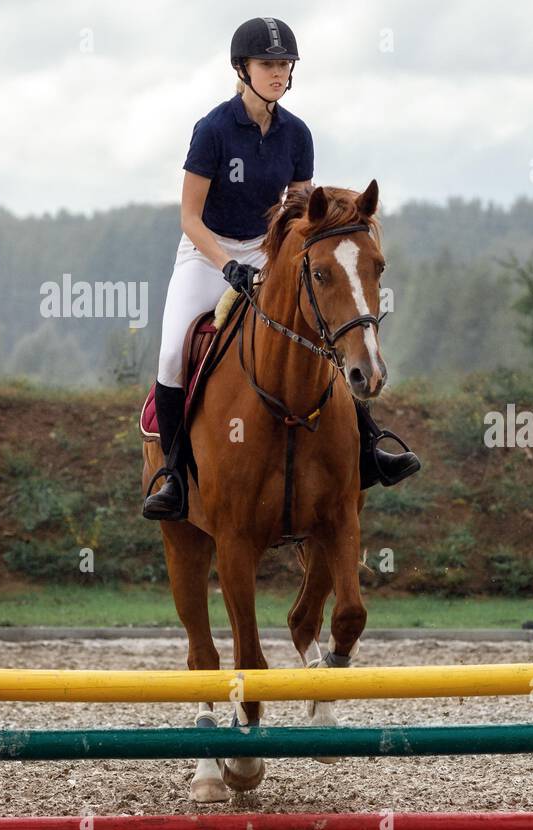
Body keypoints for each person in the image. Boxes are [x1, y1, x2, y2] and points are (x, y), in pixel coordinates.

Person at [143, 16, 419, 521]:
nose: (278, 73)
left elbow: (297, 211)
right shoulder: (213, 130)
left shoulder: (297, 134)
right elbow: (188, 217)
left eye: (284, 64)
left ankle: (367, 448)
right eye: (268, 64)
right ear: (242, 69)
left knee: (321, 332)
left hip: (267, 251)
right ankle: (176, 476)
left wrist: (287, 255)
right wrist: (227, 265)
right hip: (207, 253)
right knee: (170, 354)